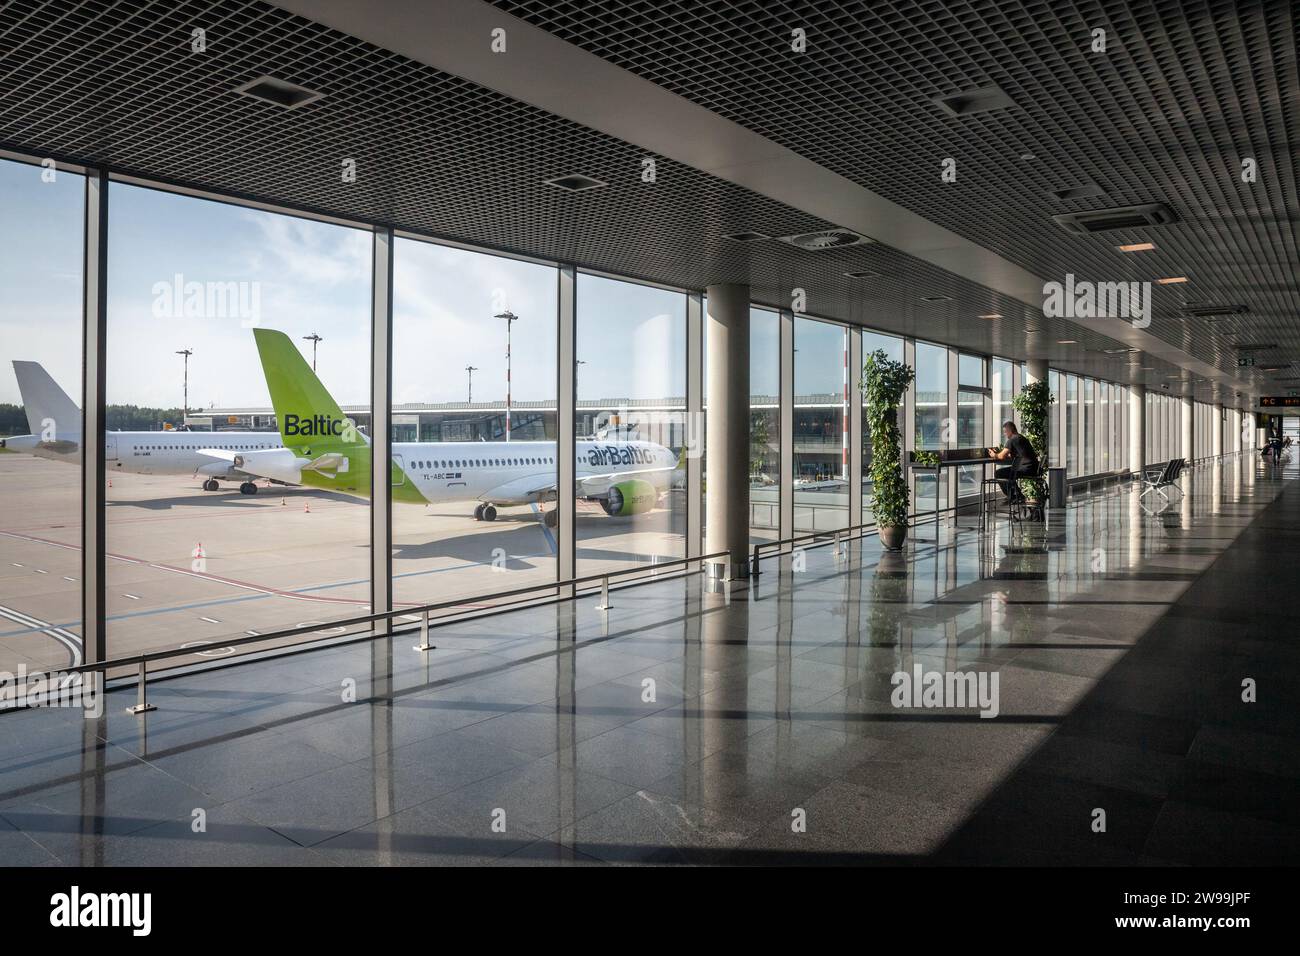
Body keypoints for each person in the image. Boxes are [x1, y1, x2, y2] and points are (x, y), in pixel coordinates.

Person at [988, 421, 1039, 500]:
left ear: (1010, 431)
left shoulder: (1012, 439)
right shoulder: (1021, 438)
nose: (1005, 434)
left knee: (999, 473)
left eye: (1005, 432)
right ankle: (1016, 494)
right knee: (1010, 473)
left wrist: (994, 455)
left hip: (1026, 469)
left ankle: (1014, 496)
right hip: (1034, 468)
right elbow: (1017, 454)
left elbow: (1001, 456)